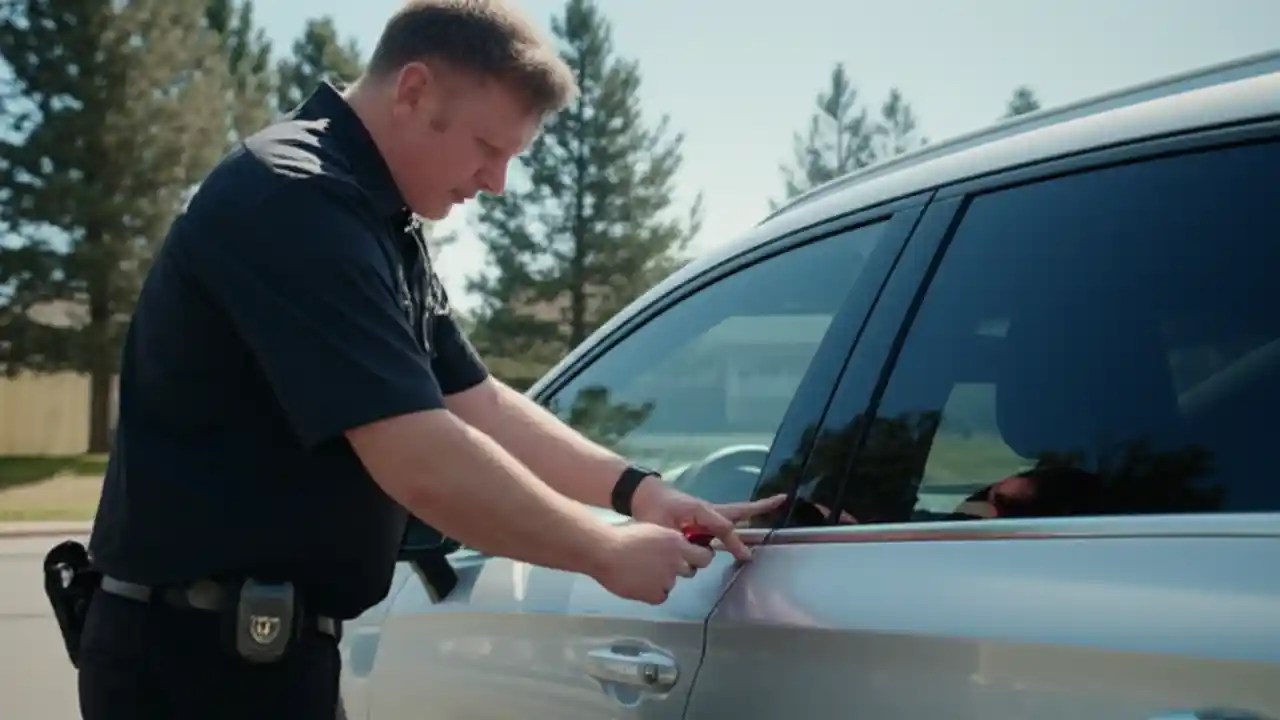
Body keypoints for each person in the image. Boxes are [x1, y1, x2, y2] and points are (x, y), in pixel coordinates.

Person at [72, 1, 783, 718]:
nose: (498, 181)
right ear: (413, 91)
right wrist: (604, 551)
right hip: (191, 665)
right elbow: (420, 458)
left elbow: (478, 402)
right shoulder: (293, 198)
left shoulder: (374, 220)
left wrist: (641, 492)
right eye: (487, 146)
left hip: (256, 654)